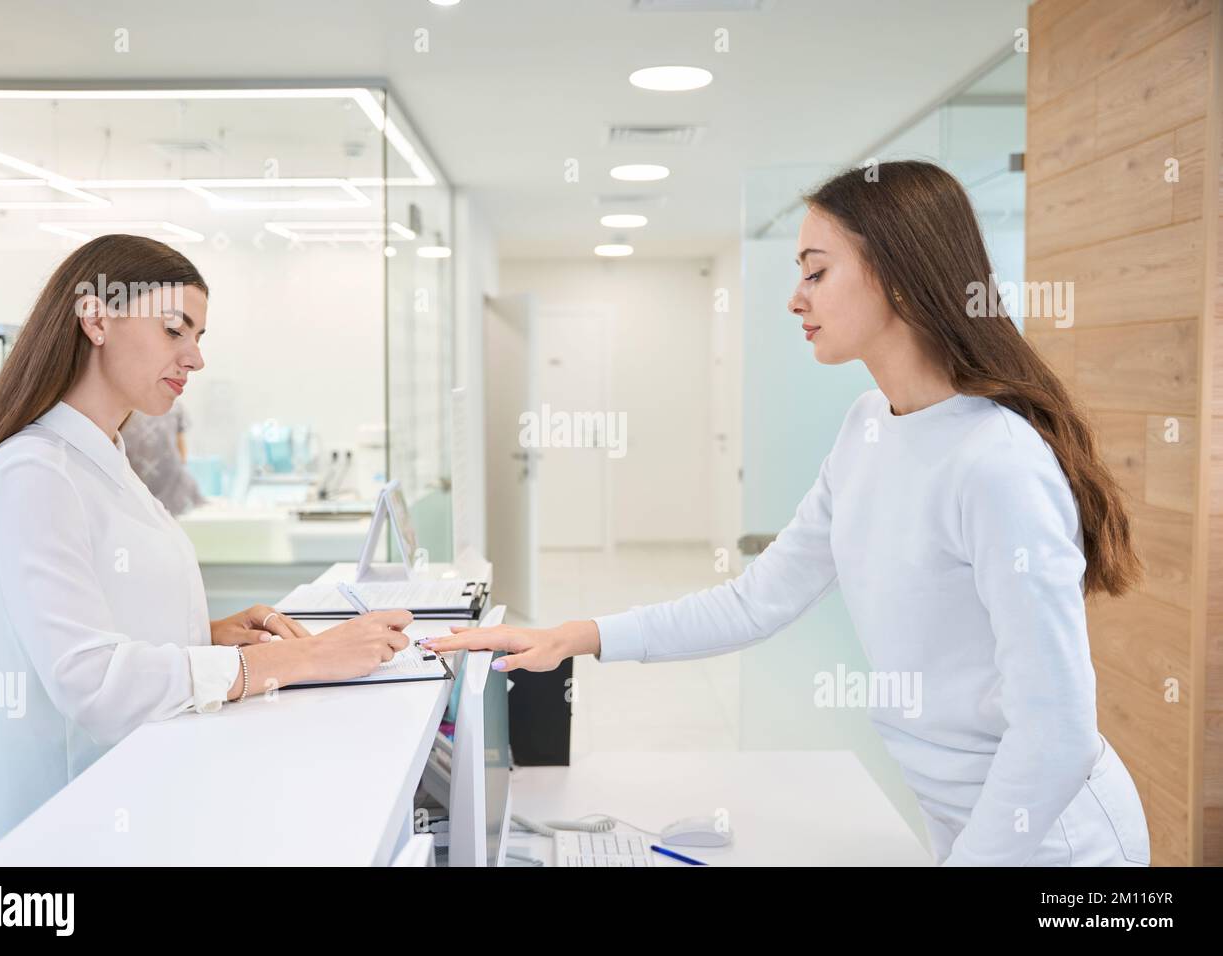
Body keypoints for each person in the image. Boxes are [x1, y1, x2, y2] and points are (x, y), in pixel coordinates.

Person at [424, 160, 1152, 867]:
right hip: (960, 822)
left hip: (1057, 843)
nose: (795, 299)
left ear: (897, 276)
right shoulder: (870, 427)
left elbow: (1055, 733)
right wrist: (574, 636)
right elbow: (754, 602)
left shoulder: (996, 463)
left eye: (816, 271)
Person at [0, 234, 412, 850]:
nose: (194, 358)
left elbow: (98, 622)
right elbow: (92, 683)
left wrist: (204, 633)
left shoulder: (102, 456)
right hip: (72, 839)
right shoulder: (33, 473)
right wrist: (303, 660)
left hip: (141, 802)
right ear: (96, 318)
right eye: (174, 330)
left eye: (198, 338)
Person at [121, 400, 205, 517]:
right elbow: (181, 448)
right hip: (137, 480)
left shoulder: (174, 407)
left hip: (148, 480)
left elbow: (181, 446)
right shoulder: (173, 407)